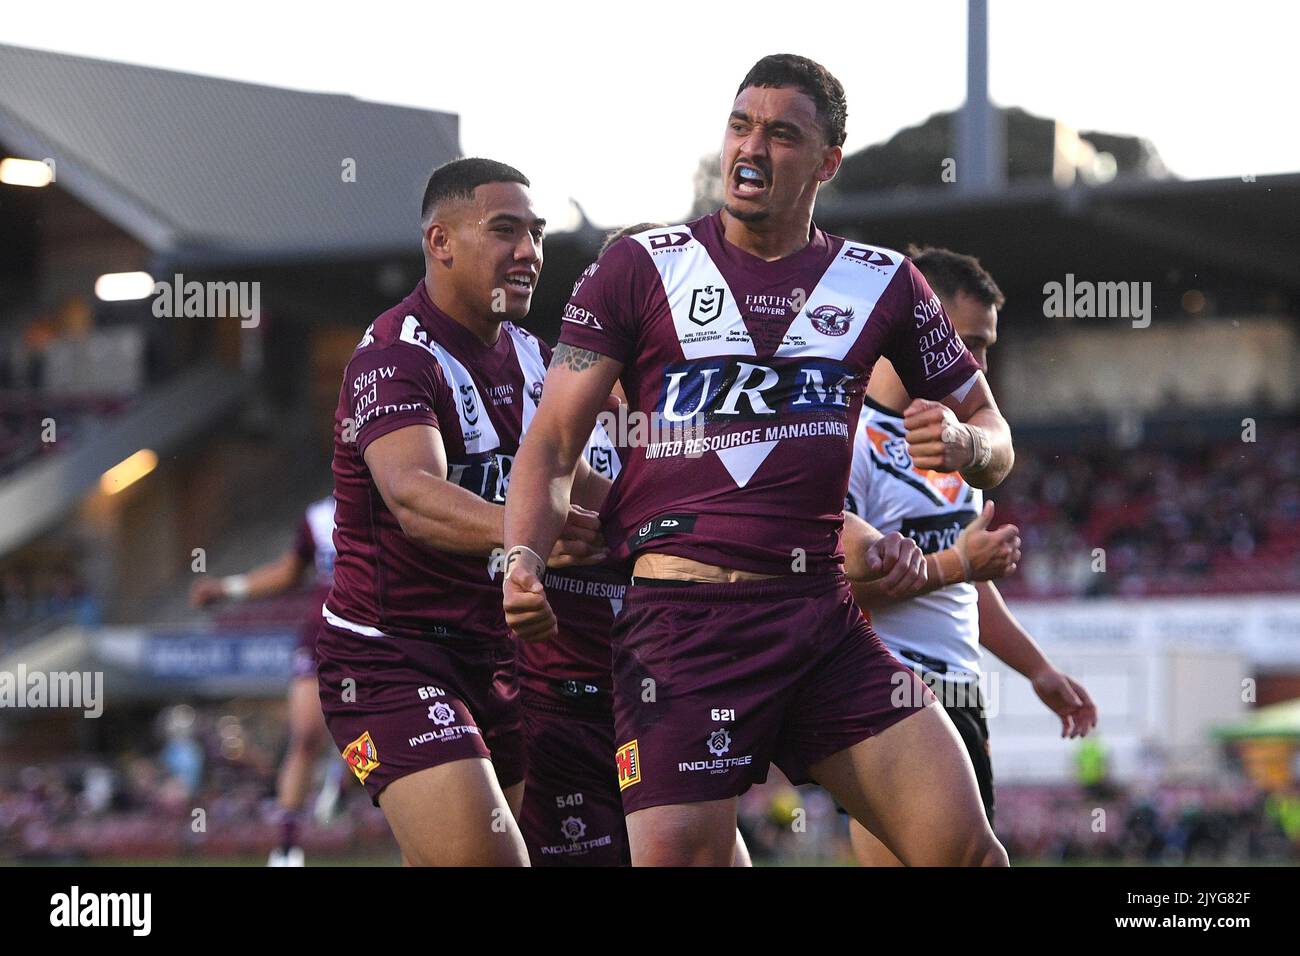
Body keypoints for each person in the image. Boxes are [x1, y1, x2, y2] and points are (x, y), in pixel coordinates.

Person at [503, 54, 1015, 866]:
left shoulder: (882, 281)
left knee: (967, 851)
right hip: (681, 631)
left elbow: (993, 431)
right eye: (741, 124)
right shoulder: (641, 265)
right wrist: (523, 556)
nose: (752, 147)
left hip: (821, 622)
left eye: (781, 134)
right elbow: (553, 442)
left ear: (826, 162)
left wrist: (963, 444)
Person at [315, 157, 606, 866]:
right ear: (440, 241)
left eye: (536, 235)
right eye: (504, 231)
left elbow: (592, 488)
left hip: (499, 657)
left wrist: (702, 525)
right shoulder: (393, 357)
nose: (529, 252)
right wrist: (539, 532)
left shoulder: (539, 360)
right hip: (389, 656)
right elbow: (415, 497)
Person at [845, 246, 1098, 865]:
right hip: (892, 686)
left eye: (985, 347)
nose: (975, 364)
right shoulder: (847, 437)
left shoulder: (959, 443)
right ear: (912, 329)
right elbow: (831, 585)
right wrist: (959, 564)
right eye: (962, 341)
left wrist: (1038, 669)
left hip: (960, 688)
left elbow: (963, 582)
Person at [190, 495, 338, 867]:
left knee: (383, 730)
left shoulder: (396, 497)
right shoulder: (319, 516)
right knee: (305, 734)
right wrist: (228, 589)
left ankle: (345, 774)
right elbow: (289, 572)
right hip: (324, 634)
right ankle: (287, 847)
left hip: (384, 632)